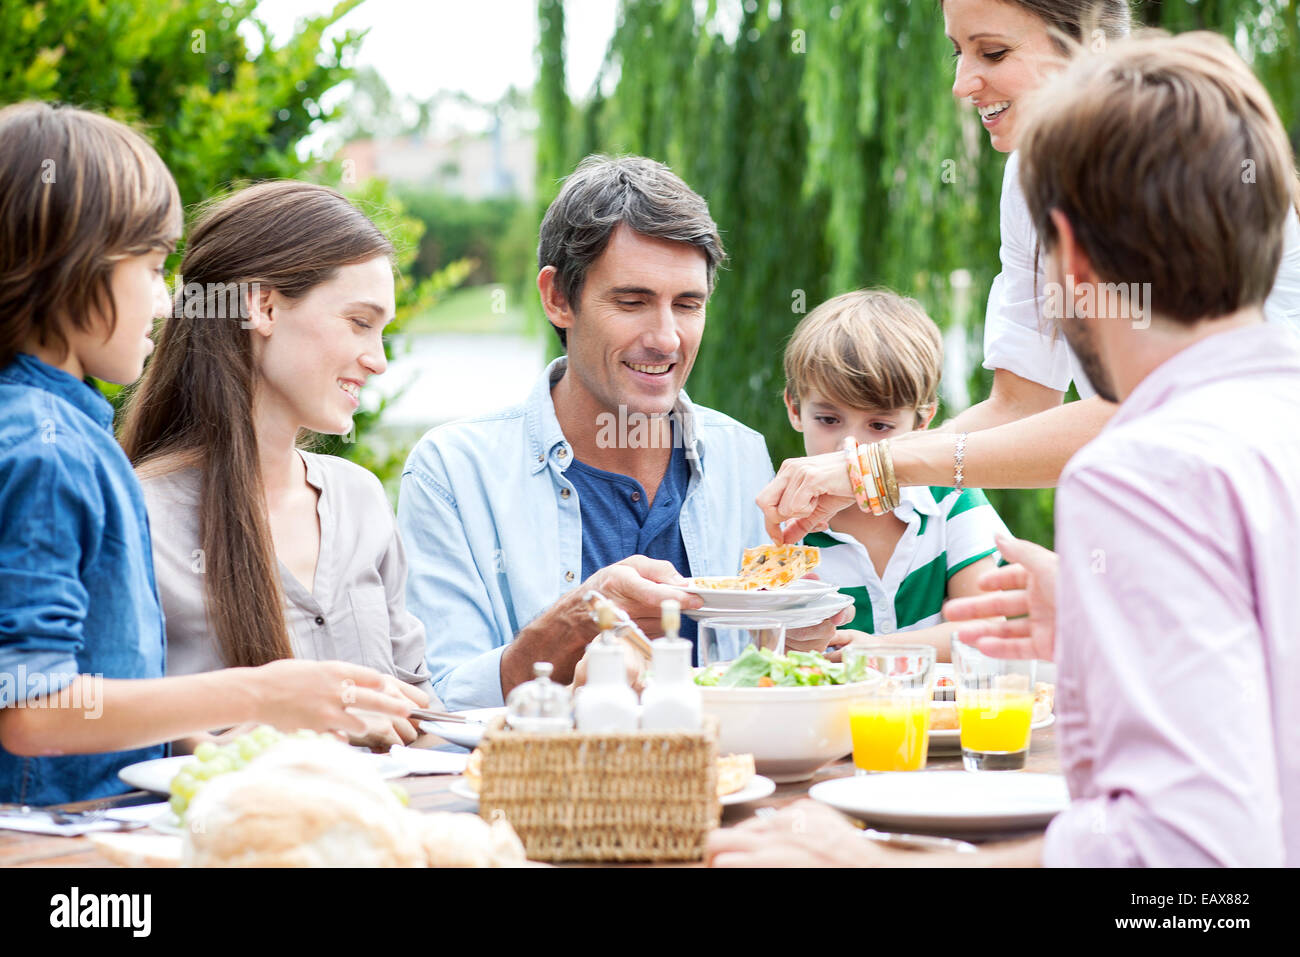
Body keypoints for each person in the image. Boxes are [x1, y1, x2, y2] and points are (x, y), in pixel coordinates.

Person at [708, 31, 1300, 867]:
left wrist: (891, 865)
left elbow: (1191, 872)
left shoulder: (1136, 472)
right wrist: (1099, 630)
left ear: (1072, 257)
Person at [0, 103, 417, 805]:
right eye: (154, 266)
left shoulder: (64, 435)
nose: (167, 304)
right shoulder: (50, 451)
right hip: (63, 847)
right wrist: (264, 692)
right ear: (78, 268)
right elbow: (28, 708)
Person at [756, 0, 1300, 536]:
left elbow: (1152, 408)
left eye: (992, 52)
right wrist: (850, 476)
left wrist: (877, 469)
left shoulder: (1163, 164)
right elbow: (1019, 405)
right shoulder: (1027, 177)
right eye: (958, 53)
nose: (963, 84)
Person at [398, 155, 850, 711]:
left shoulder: (742, 453)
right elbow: (438, 708)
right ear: (558, 298)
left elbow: (756, 688)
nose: (665, 339)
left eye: (688, 305)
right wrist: (573, 624)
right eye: (632, 302)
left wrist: (791, 645)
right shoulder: (452, 472)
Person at [121, 181, 436, 753]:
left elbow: (419, 711)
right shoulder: (137, 515)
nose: (379, 360)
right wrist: (296, 725)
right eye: (359, 322)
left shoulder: (360, 498)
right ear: (263, 306)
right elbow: (114, 735)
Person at [781, 289, 1005, 658]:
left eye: (880, 426)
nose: (849, 448)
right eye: (828, 420)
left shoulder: (951, 498)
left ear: (923, 421)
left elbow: (987, 629)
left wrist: (879, 650)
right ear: (794, 408)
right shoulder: (784, 524)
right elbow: (765, 648)